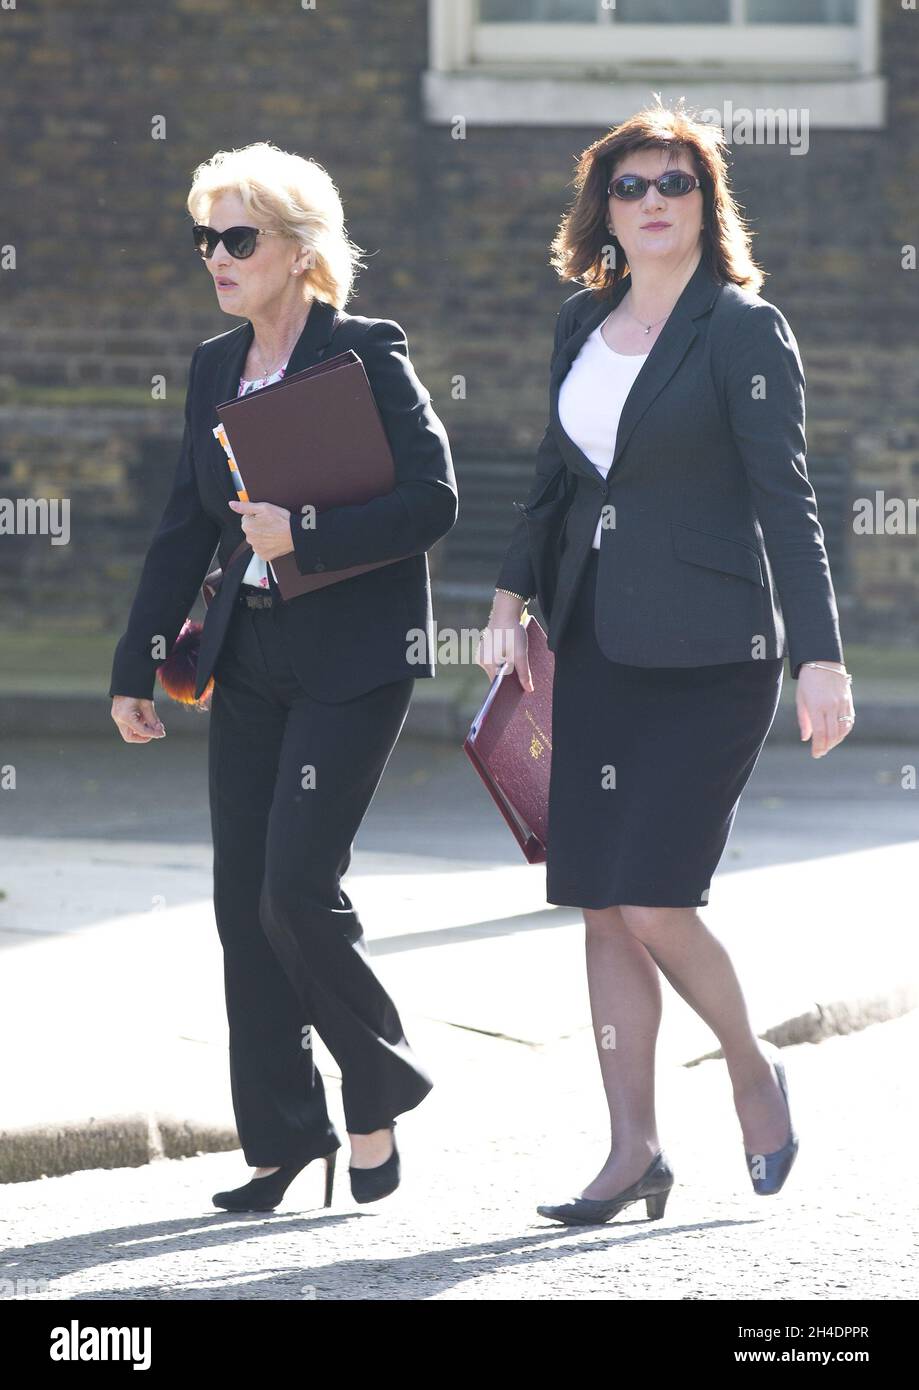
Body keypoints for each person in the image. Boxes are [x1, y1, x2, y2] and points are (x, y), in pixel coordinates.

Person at [478, 99, 855, 1225]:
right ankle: (631, 1146)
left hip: (711, 652)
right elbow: (552, 474)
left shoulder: (741, 330)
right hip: (592, 641)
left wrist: (820, 659)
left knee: (652, 895)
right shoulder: (577, 325)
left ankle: (748, 1064)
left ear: (706, 204)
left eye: (674, 184)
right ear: (602, 207)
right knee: (599, 902)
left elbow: (784, 498)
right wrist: (506, 594)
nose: (651, 202)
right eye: (630, 186)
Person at [109, 141, 457, 1211]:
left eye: (238, 237)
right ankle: (282, 1133)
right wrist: (135, 661)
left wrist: (301, 525)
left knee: (292, 889)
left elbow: (432, 503)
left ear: (300, 251)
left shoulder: (364, 352)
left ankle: (378, 1076)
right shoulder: (216, 366)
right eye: (205, 237)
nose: (217, 256)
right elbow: (183, 523)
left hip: (353, 660)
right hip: (249, 655)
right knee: (237, 902)